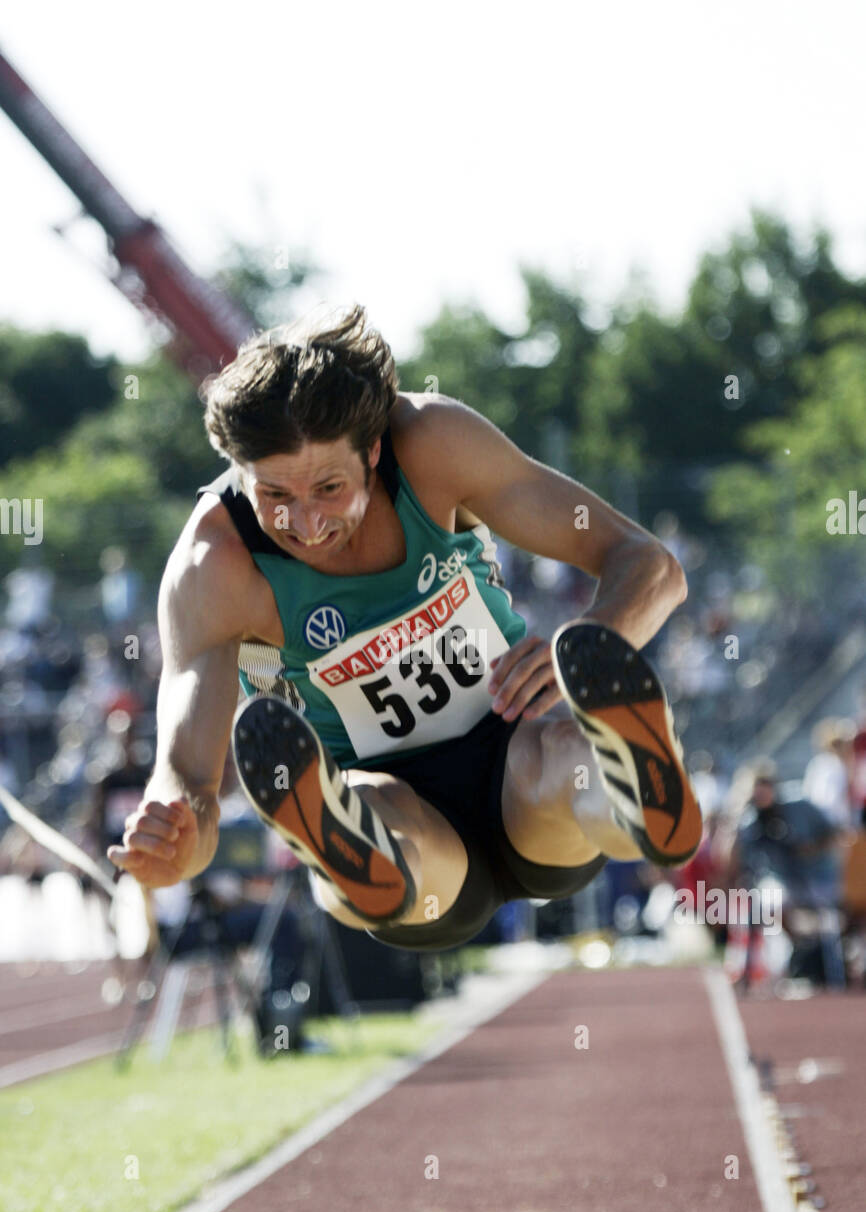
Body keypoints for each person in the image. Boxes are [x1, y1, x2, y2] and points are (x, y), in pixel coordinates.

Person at [108, 305, 702, 952]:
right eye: (274, 496)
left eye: (329, 488)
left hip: (514, 752)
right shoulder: (213, 566)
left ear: (373, 450)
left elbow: (651, 566)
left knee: (566, 757)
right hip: (400, 815)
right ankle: (353, 852)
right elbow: (189, 781)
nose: (306, 525)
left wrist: (595, 637)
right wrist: (175, 840)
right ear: (240, 471)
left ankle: (638, 790)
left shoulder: (433, 446)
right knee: (374, 811)